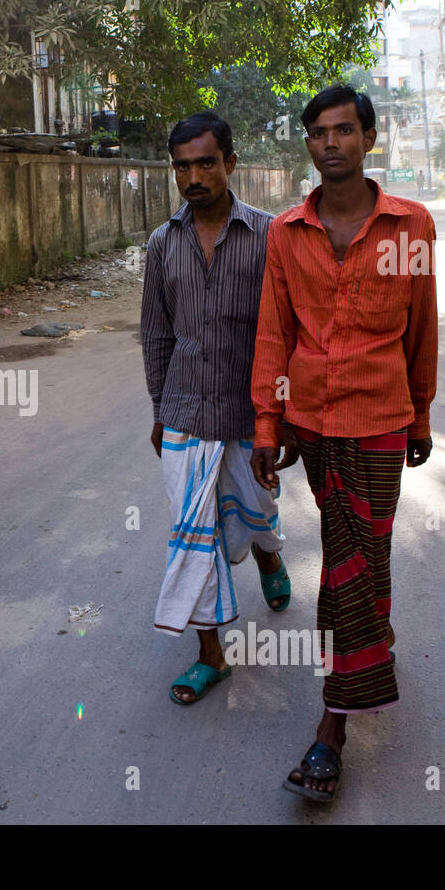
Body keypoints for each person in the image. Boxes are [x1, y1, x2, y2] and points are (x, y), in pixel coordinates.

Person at [250, 85, 437, 802]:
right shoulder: (286, 233)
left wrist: (420, 416)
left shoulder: (410, 227)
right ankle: (370, 648)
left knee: (353, 562)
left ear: (368, 138)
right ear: (309, 144)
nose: (330, 143)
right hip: (316, 426)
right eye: (318, 133)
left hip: (382, 419)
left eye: (343, 131)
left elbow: (422, 327)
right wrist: (269, 423)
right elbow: (275, 334)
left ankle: (332, 727)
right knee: (351, 553)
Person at [140, 111, 292, 705]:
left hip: (247, 417)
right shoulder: (161, 244)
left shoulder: (269, 237)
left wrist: (278, 420)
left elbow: (287, 336)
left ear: (230, 162)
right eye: (182, 166)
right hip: (183, 415)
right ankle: (210, 654)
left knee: (255, 508)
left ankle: (268, 555)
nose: (194, 176)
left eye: (206, 162)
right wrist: (159, 408)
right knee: (192, 534)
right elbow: (156, 336)